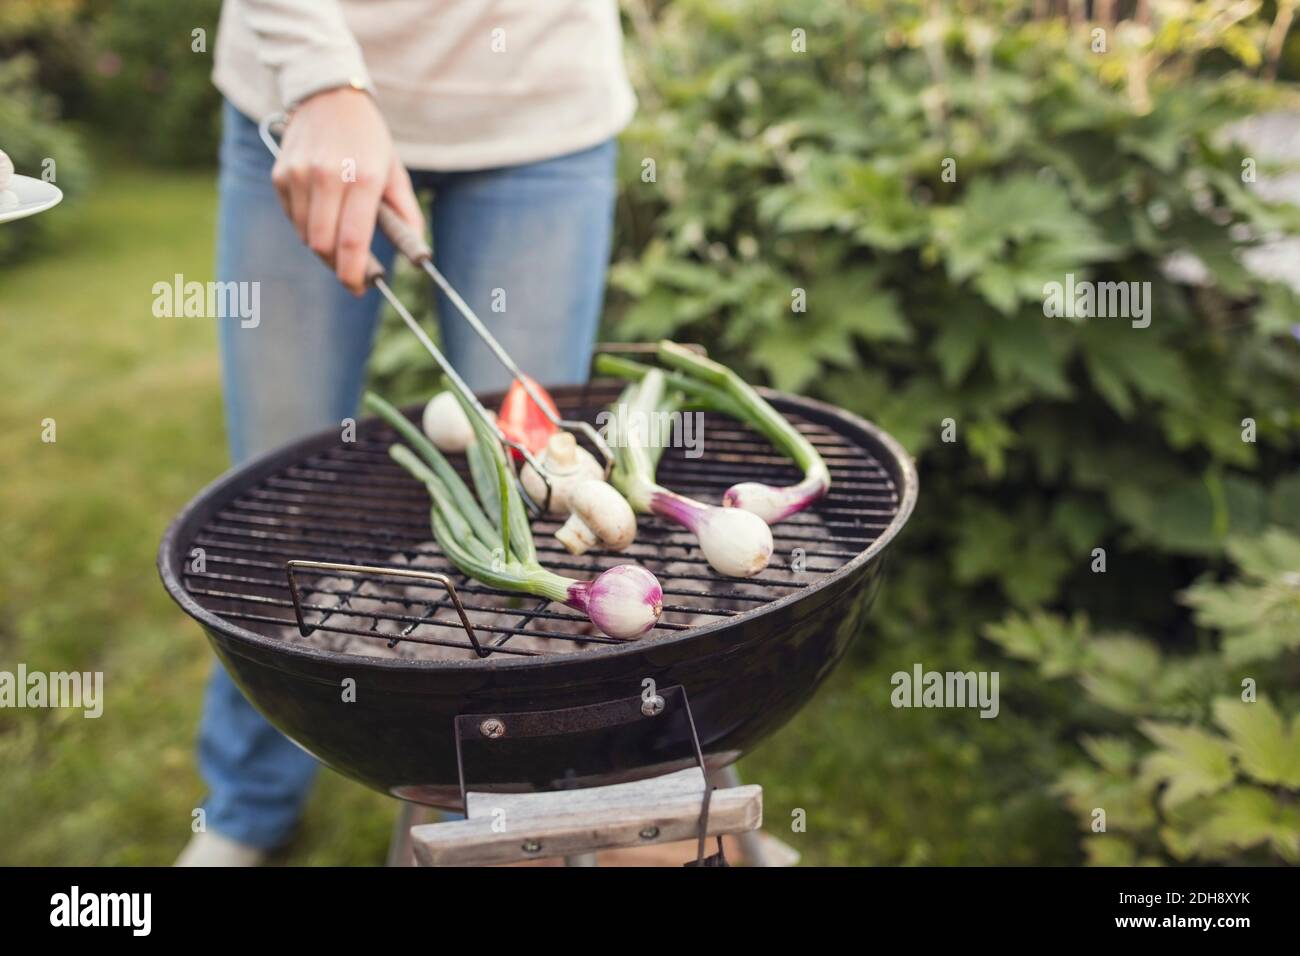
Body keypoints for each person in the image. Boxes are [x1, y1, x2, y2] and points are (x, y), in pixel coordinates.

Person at [176, 0, 636, 866]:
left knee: (535, 495)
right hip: (299, 98)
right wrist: (323, 80)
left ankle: (517, 804)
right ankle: (247, 806)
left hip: (536, 106)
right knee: (275, 517)